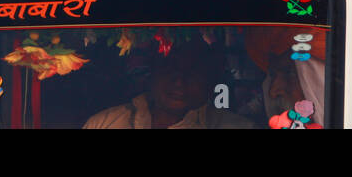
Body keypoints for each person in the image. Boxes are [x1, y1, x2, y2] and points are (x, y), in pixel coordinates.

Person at [82, 39, 251, 129]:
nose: (179, 82)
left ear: (208, 77)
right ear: (154, 70)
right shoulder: (104, 123)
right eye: (171, 68)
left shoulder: (236, 127)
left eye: (192, 73)